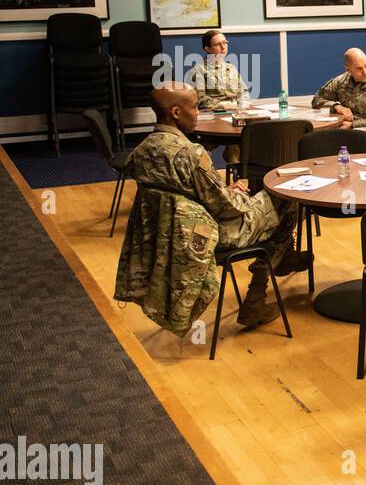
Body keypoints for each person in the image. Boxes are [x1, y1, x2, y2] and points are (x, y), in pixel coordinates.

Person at [116, 83, 309, 330]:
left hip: (171, 237)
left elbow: (181, 195)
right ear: (175, 112)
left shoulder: (142, 150)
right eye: (194, 107)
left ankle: (282, 259)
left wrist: (225, 188)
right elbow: (228, 209)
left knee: (270, 208)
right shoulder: (191, 154)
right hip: (214, 235)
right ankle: (257, 296)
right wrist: (239, 195)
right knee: (284, 198)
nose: (197, 113)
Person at [186, 29, 250, 164]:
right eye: (218, 44)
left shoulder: (231, 68)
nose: (223, 47)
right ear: (207, 48)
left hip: (235, 115)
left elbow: (243, 91)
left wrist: (243, 106)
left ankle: (237, 174)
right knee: (201, 154)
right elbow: (200, 99)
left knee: (242, 144)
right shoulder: (199, 70)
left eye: (225, 43)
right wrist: (223, 105)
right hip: (212, 117)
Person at [312, 48, 366, 148]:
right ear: (348, 70)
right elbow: (316, 100)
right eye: (359, 68)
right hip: (345, 126)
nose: (365, 72)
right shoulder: (341, 81)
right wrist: (337, 107)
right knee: (318, 137)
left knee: (352, 138)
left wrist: (353, 124)